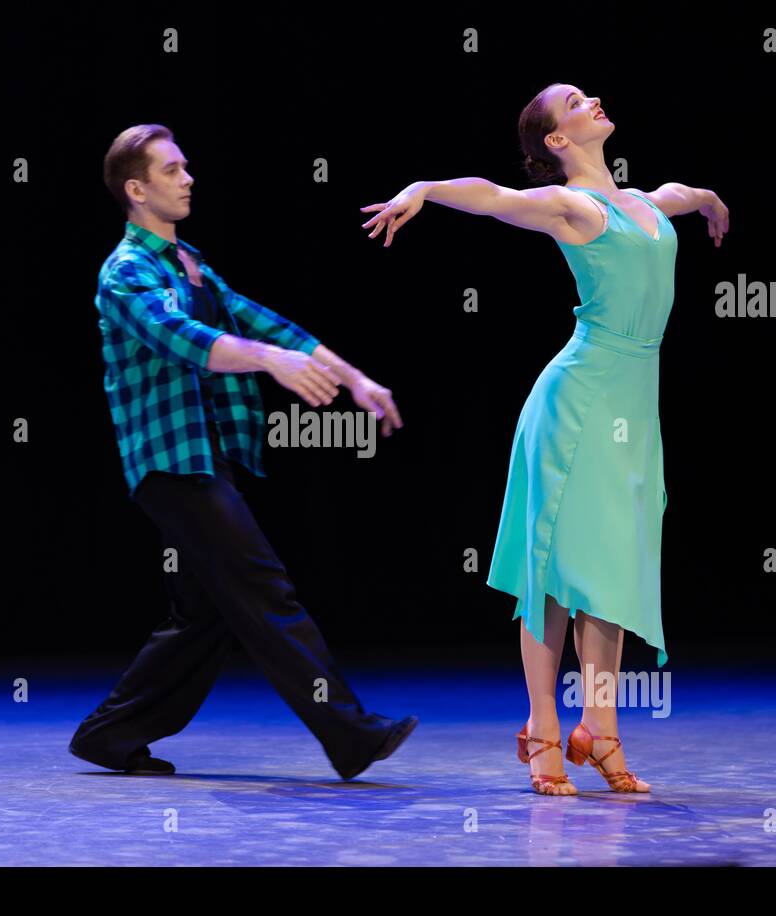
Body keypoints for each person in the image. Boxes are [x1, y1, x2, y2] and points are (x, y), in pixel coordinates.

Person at [359, 83, 729, 795]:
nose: (592, 98)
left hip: (631, 403)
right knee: (554, 575)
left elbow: (688, 193)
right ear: (556, 141)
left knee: (611, 572)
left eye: (589, 92)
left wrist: (712, 203)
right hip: (579, 402)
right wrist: (425, 189)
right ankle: (543, 731)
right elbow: (495, 196)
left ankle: (602, 729)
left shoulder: (645, 202)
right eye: (573, 101)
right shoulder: (572, 207)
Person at [69, 124, 417, 780]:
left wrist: (355, 378)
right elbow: (186, 339)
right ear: (137, 189)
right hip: (170, 463)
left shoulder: (187, 261)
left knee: (202, 616)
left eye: (187, 166)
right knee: (263, 588)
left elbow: (262, 321)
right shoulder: (125, 272)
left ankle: (109, 735)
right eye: (172, 170)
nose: (188, 178)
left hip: (204, 455)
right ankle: (348, 732)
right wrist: (272, 364)